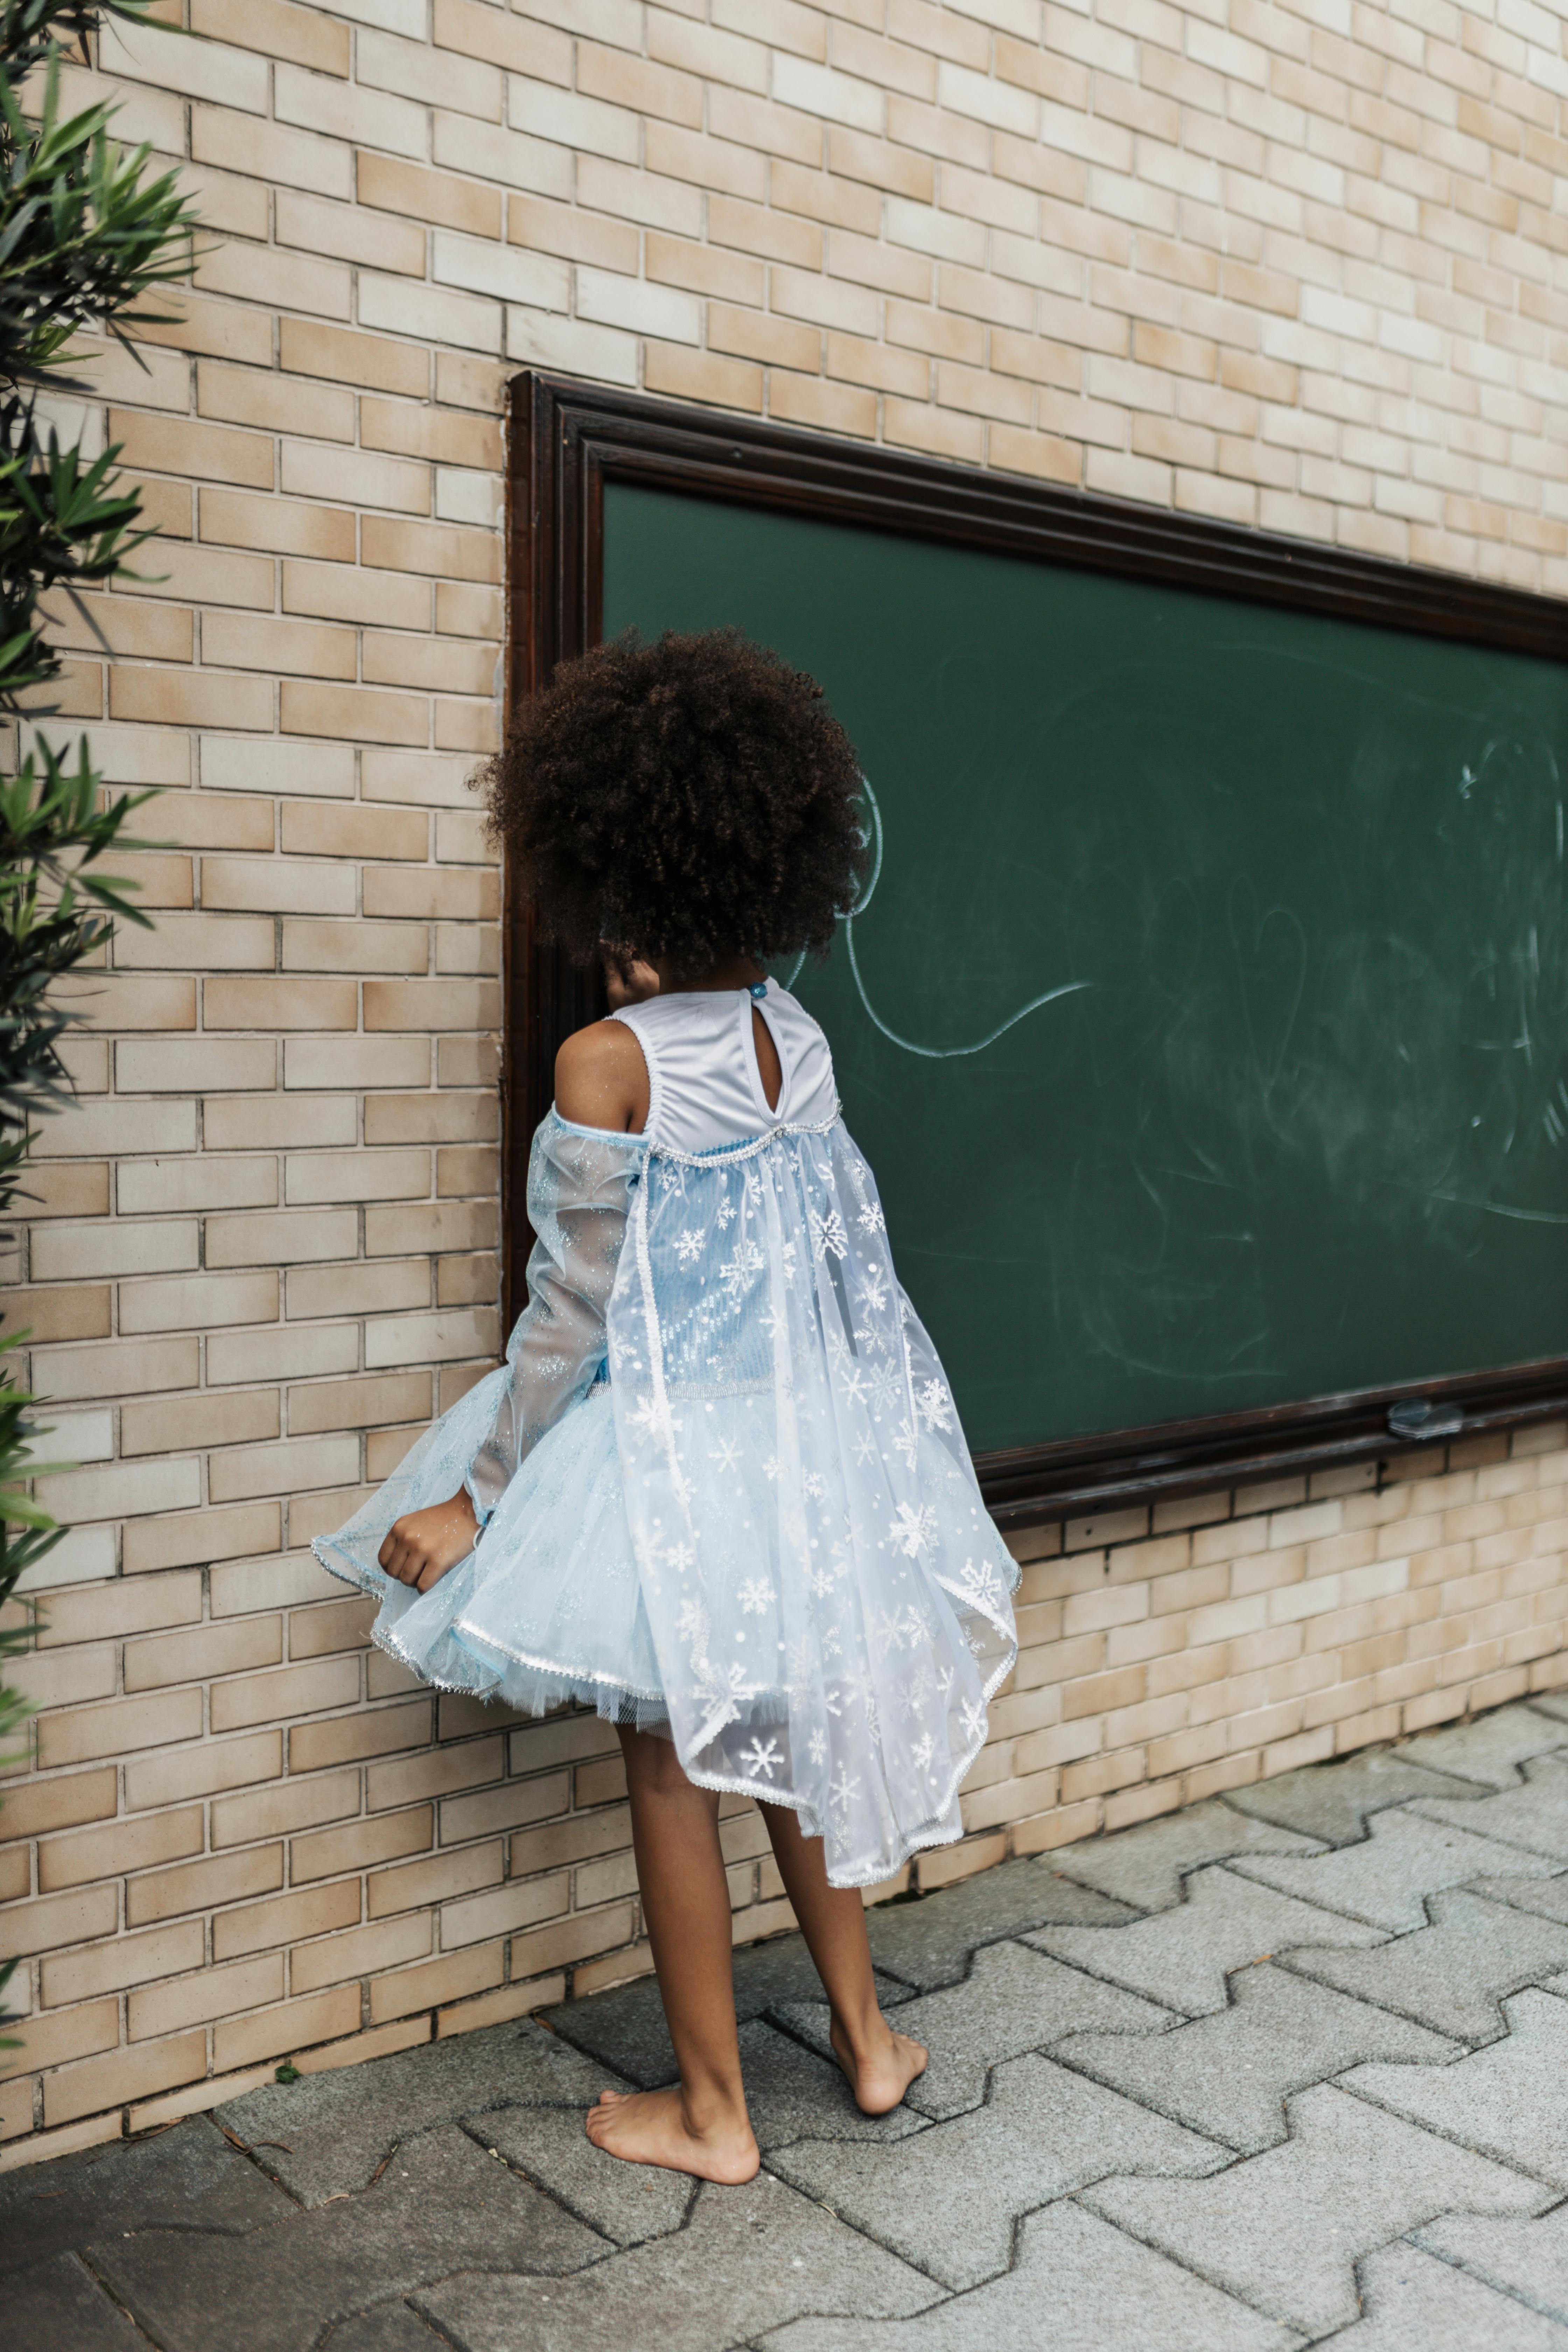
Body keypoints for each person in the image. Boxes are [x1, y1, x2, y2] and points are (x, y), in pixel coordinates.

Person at [314, 629, 1019, 2184]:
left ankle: (710, 2113)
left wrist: (474, 1493)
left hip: (668, 1458)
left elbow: (565, 1322)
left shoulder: (605, 1063)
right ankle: (867, 2039)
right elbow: (832, 1263)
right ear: (776, 866)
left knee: (675, 1761)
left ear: (617, 865)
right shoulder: (797, 1039)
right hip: (796, 1443)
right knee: (793, 1735)